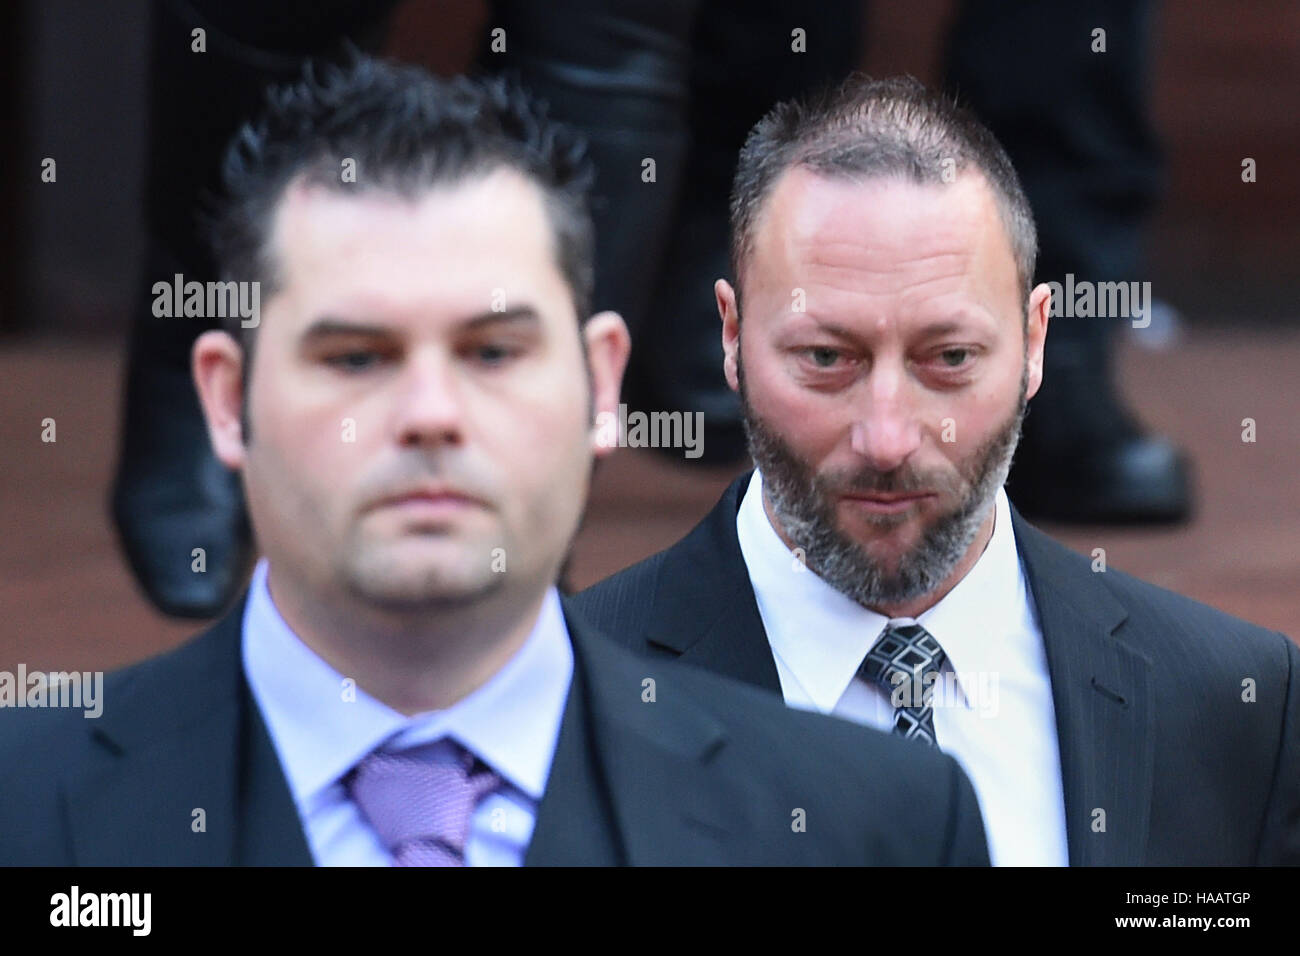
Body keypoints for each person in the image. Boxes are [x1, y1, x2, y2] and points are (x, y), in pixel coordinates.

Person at [0, 58, 990, 867]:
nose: (430, 415)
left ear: (603, 386)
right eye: (354, 356)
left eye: (491, 351)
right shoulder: (24, 807)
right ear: (226, 399)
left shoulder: (869, 825)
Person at [574, 75, 1300, 867]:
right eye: (825, 358)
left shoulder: (1237, 703)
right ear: (732, 337)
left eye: (949, 358)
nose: (887, 439)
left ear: (1036, 342)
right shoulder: (570, 697)